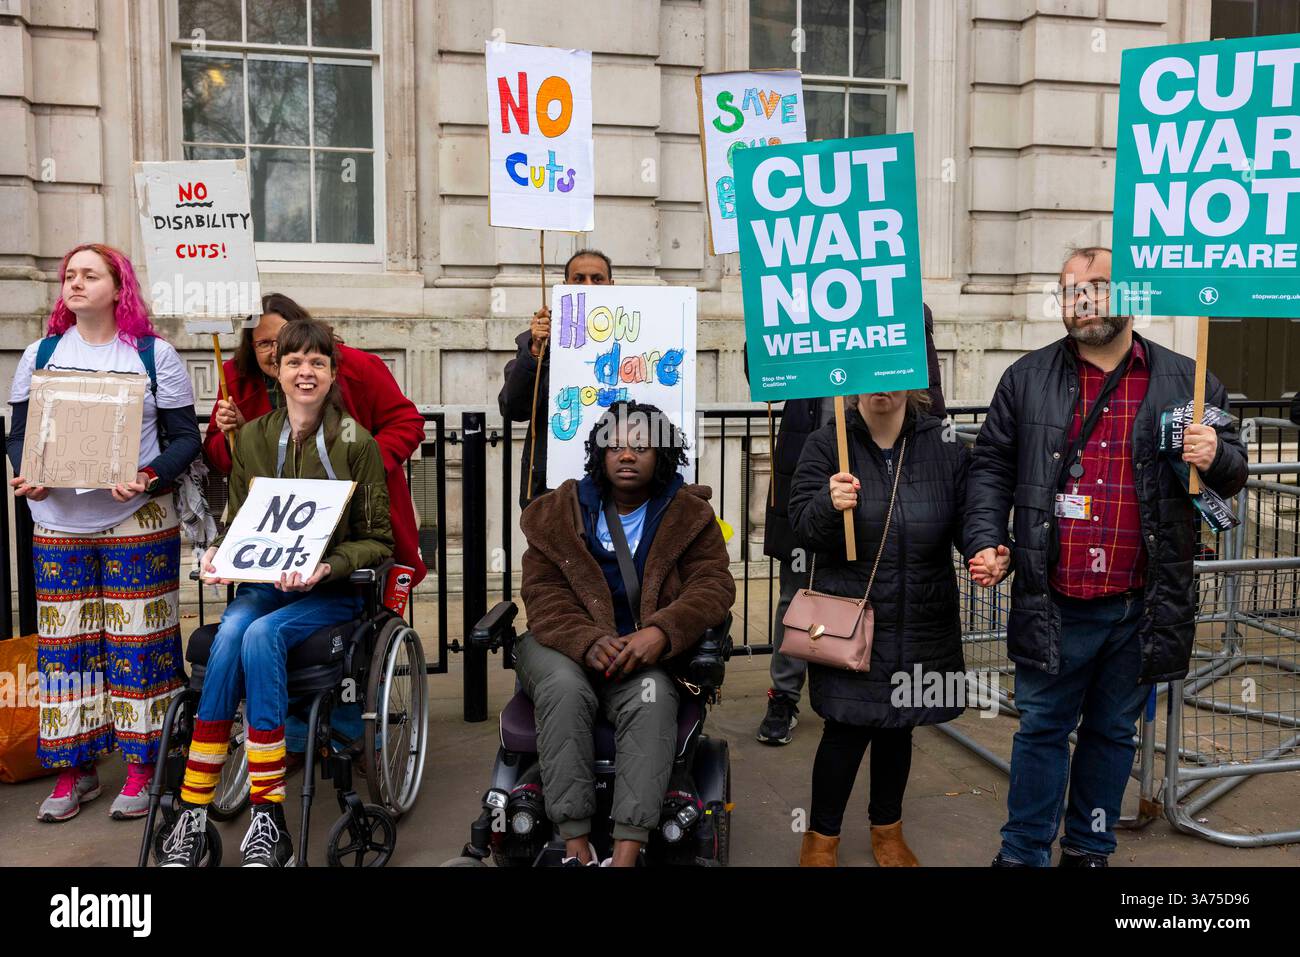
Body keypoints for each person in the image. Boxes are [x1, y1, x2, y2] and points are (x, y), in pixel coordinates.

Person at [966, 246, 1248, 868]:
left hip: (1140, 606)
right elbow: (989, 467)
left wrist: (1216, 456)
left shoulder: (1188, 379)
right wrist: (986, 537)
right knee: (1040, 732)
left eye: (1096, 286)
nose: (1083, 299)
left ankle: (1090, 849)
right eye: (1070, 290)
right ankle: (1023, 852)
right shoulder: (1025, 378)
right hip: (1055, 599)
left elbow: (1230, 480)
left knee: (1112, 734)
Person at [157, 318, 393, 867]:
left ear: (333, 373)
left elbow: (378, 541)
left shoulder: (357, 443)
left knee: (259, 633)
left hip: (328, 591)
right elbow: (240, 518)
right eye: (293, 362)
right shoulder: (258, 436)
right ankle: (193, 811)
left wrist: (327, 565)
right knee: (234, 628)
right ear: (278, 370)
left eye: (317, 362)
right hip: (268, 584)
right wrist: (221, 551)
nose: (304, 372)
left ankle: (268, 815)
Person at [6, 242, 201, 823]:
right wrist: (28, 473)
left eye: (91, 275)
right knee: (66, 649)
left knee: (139, 643)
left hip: (135, 518)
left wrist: (148, 476)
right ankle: (75, 770)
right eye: (69, 275)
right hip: (57, 520)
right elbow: (18, 433)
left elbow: (185, 438)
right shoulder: (40, 353)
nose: (75, 283)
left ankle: (144, 767)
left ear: (120, 288)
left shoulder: (151, 355)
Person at [515, 400, 735, 866]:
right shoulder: (559, 512)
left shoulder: (688, 516)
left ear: (662, 454)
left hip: (644, 654)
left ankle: (626, 850)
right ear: (600, 453)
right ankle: (575, 843)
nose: (627, 454)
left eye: (641, 445)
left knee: (652, 695)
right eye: (614, 444)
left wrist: (662, 631)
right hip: (562, 646)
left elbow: (712, 586)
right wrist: (588, 640)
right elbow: (543, 594)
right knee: (564, 689)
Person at [786, 388, 984, 867]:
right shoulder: (825, 442)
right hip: (852, 615)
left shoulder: (945, 442)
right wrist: (829, 505)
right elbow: (803, 530)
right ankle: (820, 840)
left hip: (920, 613)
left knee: (899, 727)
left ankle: (888, 831)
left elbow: (970, 518)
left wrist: (987, 547)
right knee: (846, 728)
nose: (880, 386)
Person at [754, 304, 948, 746]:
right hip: (814, 469)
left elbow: (928, 393)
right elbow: (762, 369)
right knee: (798, 592)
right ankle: (784, 696)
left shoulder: (905, 304)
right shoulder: (801, 303)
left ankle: (876, 690)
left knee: (880, 589)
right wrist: (768, 312)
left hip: (883, 474)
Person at [205, 293, 425, 585]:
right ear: (250, 347)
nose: (274, 351)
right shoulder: (233, 378)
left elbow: (407, 422)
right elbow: (221, 458)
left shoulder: (358, 367)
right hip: (280, 533)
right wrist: (237, 435)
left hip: (352, 522)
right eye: (263, 344)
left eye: (281, 339)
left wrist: (362, 467)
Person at [499, 249, 613, 508]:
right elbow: (513, 407)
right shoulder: (538, 342)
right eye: (579, 278)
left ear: (611, 285)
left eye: (597, 279)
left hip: (617, 483)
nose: (588, 285)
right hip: (554, 487)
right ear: (565, 286)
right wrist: (535, 351)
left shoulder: (635, 335)